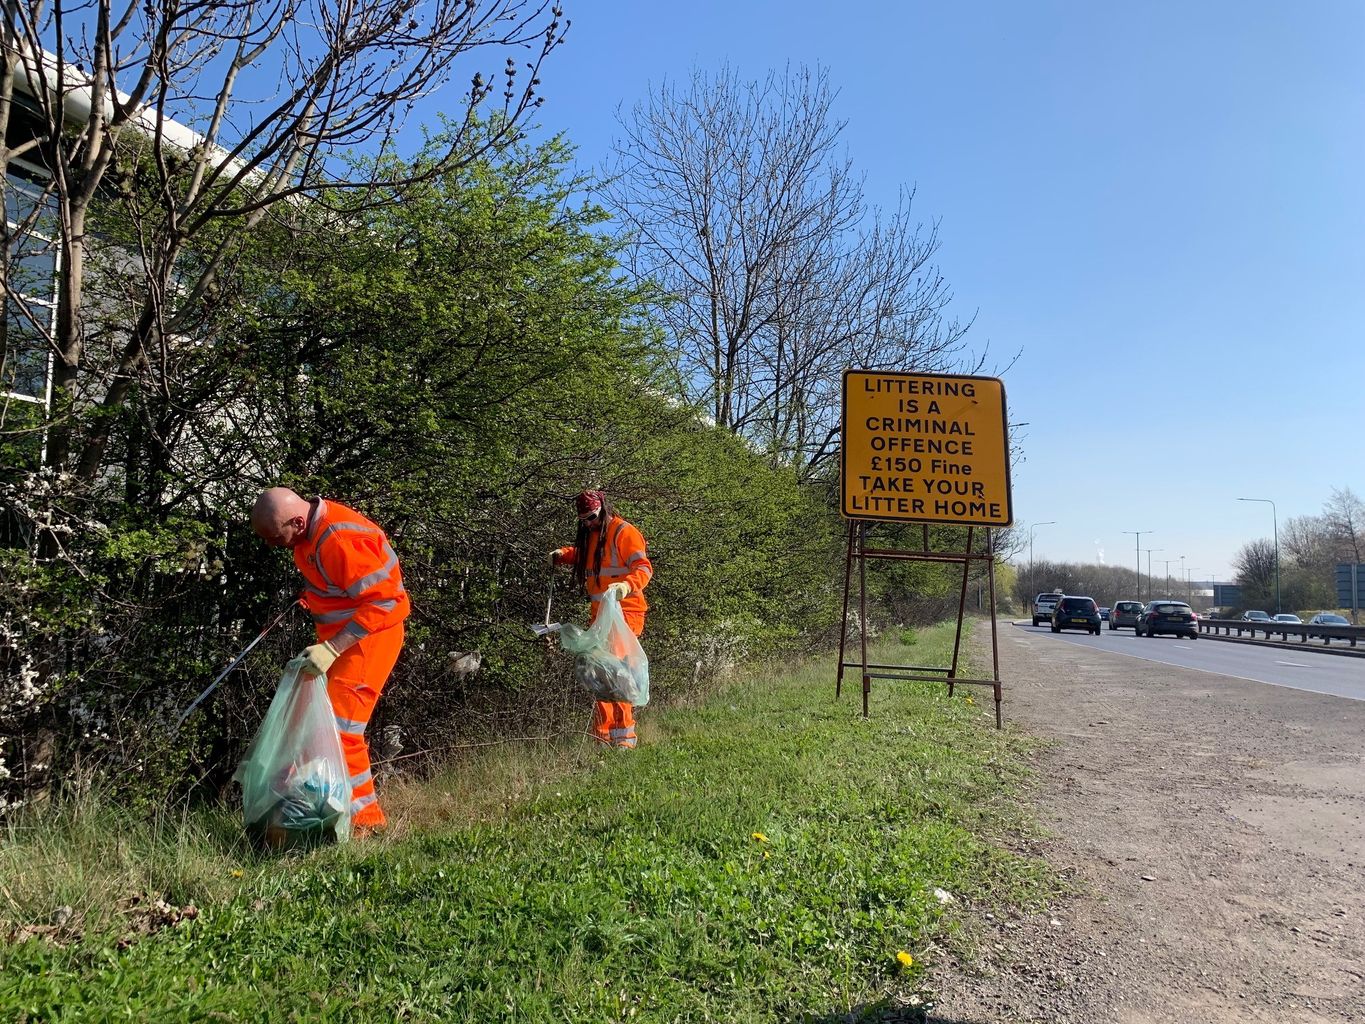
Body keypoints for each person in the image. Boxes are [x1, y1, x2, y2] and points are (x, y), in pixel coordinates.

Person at [250, 487, 409, 833]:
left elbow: (384, 602)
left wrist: (333, 648)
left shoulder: (338, 538)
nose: (272, 545)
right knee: (317, 726)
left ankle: (367, 823)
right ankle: (319, 814)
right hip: (347, 638)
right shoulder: (309, 534)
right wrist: (311, 598)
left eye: (275, 537)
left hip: (371, 638)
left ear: (297, 521)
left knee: (340, 731)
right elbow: (342, 585)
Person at [551, 489, 653, 749]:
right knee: (601, 675)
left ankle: (624, 740)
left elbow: (643, 568)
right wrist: (563, 554)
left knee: (617, 675)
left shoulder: (624, 532)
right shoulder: (594, 535)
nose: (588, 523)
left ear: (603, 509)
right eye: (583, 520)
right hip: (602, 618)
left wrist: (626, 586)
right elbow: (584, 555)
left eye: (592, 517)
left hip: (626, 614)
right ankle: (603, 737)